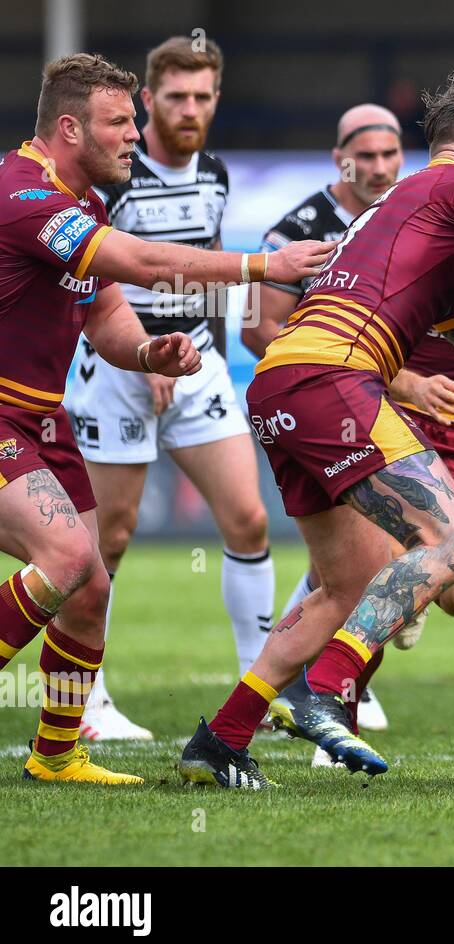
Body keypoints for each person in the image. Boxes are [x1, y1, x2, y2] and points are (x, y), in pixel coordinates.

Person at [177, 63, 454, 789]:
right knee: (452, 543)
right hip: (334, 377)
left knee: (345, 585)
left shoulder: (417, 221)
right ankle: (327, 691)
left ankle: (221, 740)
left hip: (281, 386)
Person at [0, 53, 330, 784]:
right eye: (118, 123)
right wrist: (261, 268)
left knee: (90, 587)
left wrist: (150, 351)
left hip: (38, 417)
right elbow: (143, 266)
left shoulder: (81, 200)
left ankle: (57, 755)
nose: (132, 135)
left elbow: (107, 311)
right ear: (68, 127)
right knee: (70, 560)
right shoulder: (24, 195)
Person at [63, 36, 276, 742]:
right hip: (121, 364)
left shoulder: (214, 173)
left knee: (247, 519)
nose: (190, 109)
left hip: (199, 359)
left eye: (203, 97)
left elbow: (199, 267)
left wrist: (186, 349)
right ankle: (82, 700)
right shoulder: (114, 177)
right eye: (177, 97)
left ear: (216, 99)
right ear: (149, 101)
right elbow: (111, 270)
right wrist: (146, 356)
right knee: (110, 538)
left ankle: (260, 688)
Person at [247, 103, 407, 737]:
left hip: (390, 400)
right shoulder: (302, 227)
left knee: (353, 567)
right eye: (363, 156)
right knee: (359, 565)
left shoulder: (407, 214)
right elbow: (257, 327)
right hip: (324, 406)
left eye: (388, 155)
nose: (376, 167)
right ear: (339, 158)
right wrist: (342, 373)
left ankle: (297, 689)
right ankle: (329, 691)